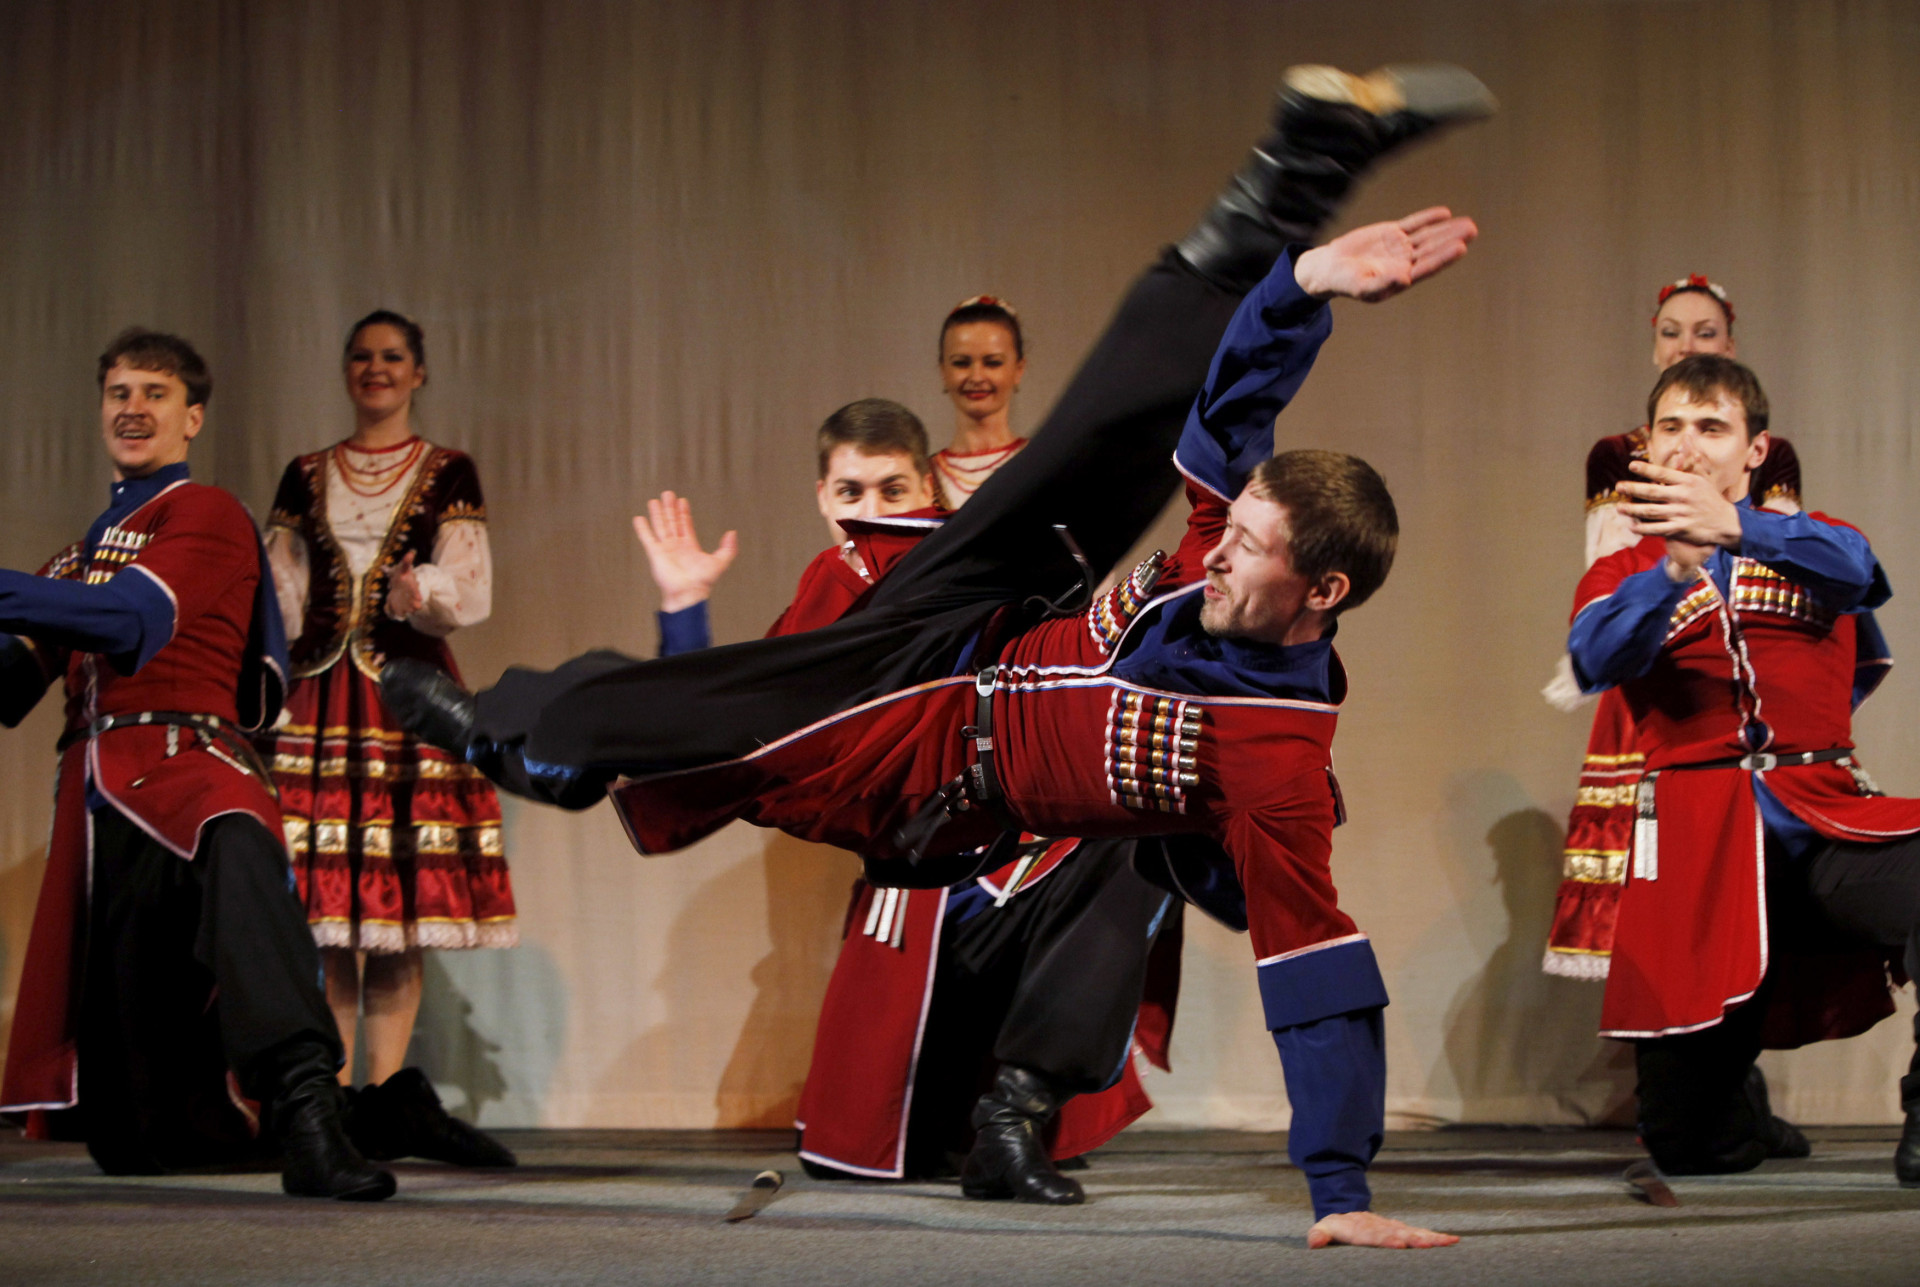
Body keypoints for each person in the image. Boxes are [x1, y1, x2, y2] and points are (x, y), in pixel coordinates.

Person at [388, 64, 1493, 1243]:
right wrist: (1310, 282)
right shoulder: (1224, 549)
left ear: (1320, 594)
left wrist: (1342, 1193)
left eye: (1255, 550)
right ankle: (1303, 162)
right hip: (989, 612)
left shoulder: (1277, 767)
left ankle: (539, 748)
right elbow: (1226, 412)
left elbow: (1316, 968)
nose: (1218, 554)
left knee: (749, 721)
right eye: (1238, 528)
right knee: (1122, 426)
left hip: (931, 756)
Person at [636, 401, 1182, 1203]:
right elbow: (729, 734)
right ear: (823, 498)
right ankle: (978, 1111)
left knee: (1135, 836)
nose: (872, 514)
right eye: (851, 493)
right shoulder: (832, 586)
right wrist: (684, 611)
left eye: (893, 491)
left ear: (928, 488)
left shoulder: (985, 576)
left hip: (1014, 875)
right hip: (925, 900)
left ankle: (1015, 1111)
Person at [0, 329, 394, 1200]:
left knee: (239, 857)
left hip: (191, 766)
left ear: (192, 419)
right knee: (142, 1137)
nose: (132, 408)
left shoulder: (203, 512)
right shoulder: (73, 560)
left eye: (154, 392)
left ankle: (312, 1114)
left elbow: (131, 619)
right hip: (101, 811)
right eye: (118, 392)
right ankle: (374, 1112)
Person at [1569, 353, 1919, 1185]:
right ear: (1647, 446)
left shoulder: (1813, 538)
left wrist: (1735, 527)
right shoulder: (1619, 571)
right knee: (1691, 1149)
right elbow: (1594, 656)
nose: (1688, 445)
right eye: (1672, 427)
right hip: (1700, 855)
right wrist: (1677, 566)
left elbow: (1860, 572)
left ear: (1755, 451)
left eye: (1713, 426)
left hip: (1825, 829)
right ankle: (1739, 1109)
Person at [1541, 277, 1809, 1155]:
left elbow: (1788, 566)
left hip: (1731, 680)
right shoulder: (1615, 455)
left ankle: (1734, 1083)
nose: (1688, 343)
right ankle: (1681, 1084)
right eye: (1671, 331)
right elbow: (1607, 566)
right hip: (1647, 654)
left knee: (1749, 881)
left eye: (1706, 331)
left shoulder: (1769, 455)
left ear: (1731, 345)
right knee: (1652, 885)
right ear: (1653, 348)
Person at [259, 310, 517, 1168]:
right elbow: (282, 590)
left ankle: (383, 1098)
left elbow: (468, 588)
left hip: (406, 696)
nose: (377, 369)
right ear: (347, 370)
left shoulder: (448, 470)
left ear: (419, 372)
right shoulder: (303, 473)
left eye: (393, 356)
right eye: (363, 356)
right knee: (331, 920)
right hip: (320, 698)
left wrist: (421, 593)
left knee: (397, 916)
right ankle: (329, 1103)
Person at [932, 296, 1029, 509]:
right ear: (943, 371)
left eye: (992, 363)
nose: (976, 377)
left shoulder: (1043, 464)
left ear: (1018, 369)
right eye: (961, 363)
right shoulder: (922, 479)